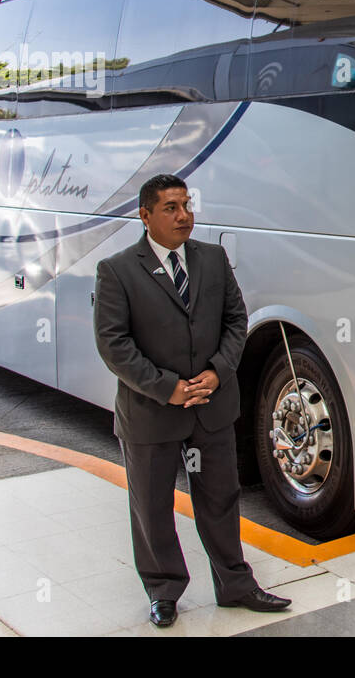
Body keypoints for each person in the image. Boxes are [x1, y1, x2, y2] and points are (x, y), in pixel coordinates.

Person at [94, 173, 291, 628]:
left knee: (221, 498)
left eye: (186, 205)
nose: (184, 216)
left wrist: (216, 373)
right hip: (151, 412)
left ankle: (235, 585)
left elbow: (236, 321)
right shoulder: (118, 271)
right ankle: (164, 591)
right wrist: (169, 387)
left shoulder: (213, 259)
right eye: (170, 208)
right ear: (145, 216)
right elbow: (114, 345)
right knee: (153, 504)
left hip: (212, 407)